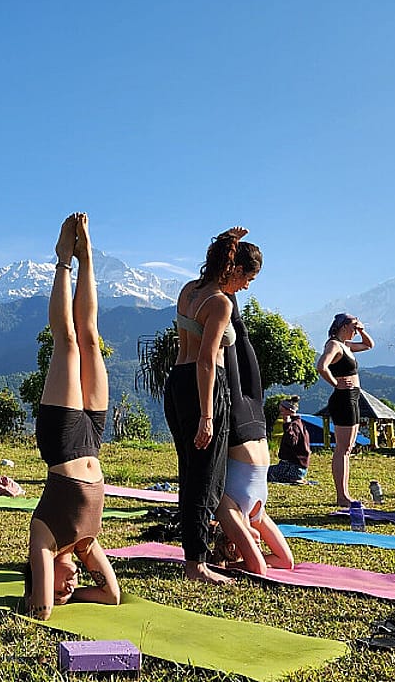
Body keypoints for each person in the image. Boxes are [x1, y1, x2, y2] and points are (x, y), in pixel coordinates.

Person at [25, 213, 120, 620]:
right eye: (74, 588)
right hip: (92, 439)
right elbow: (112, 596)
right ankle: (87, 257)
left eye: (66, 586)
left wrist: (51, 598)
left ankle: (63, 259)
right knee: (91, 339)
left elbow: (43, 608)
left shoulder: (43, 541)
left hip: (61, 439)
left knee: (66, 342)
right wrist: (81, 588)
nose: (74, 583)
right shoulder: (84, 546)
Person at [165, 228, 261, 585]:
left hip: (177, 383)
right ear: (233, 269)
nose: (248, 286)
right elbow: (207, 360)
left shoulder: (189, 290)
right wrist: (207, 416)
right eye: (248, 278)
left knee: (190, 473)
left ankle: (193, 555)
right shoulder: (220, 302)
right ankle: (196, 564)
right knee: (206, 476)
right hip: (203, 387)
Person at [212, 234, 292, 575]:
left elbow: (259, 565)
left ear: (227, 541)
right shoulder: (257, 514)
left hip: (240, 427)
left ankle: (221, 271)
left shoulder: (225, 511)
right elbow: (283, 562)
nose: (249, 544)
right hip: (255, 422)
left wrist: (232, 564)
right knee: (241, 336)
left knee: (231, 341)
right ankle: (224, 271)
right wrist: (243, 555)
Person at [316, 313, 374, 507]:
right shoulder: (333, 345)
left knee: (347, 448)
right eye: (353, 328)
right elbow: (322, 366)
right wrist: (335, 383)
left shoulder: (346, 346)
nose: (355, 332)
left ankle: (345, 493)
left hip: (353, 397)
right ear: (343, 327)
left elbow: (369, 345)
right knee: (342, 449)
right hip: (343, 399)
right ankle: (342, 496)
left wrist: (362, 329)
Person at [269, 396, 311, 483]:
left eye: (282, 411)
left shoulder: (294, 425)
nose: (281, 414)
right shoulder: (300, 423)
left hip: (294, 467)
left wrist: (287, 424)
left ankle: (293, 478)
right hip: (298, 467)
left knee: (264, 473)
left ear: (289, 411)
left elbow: (291, 441)